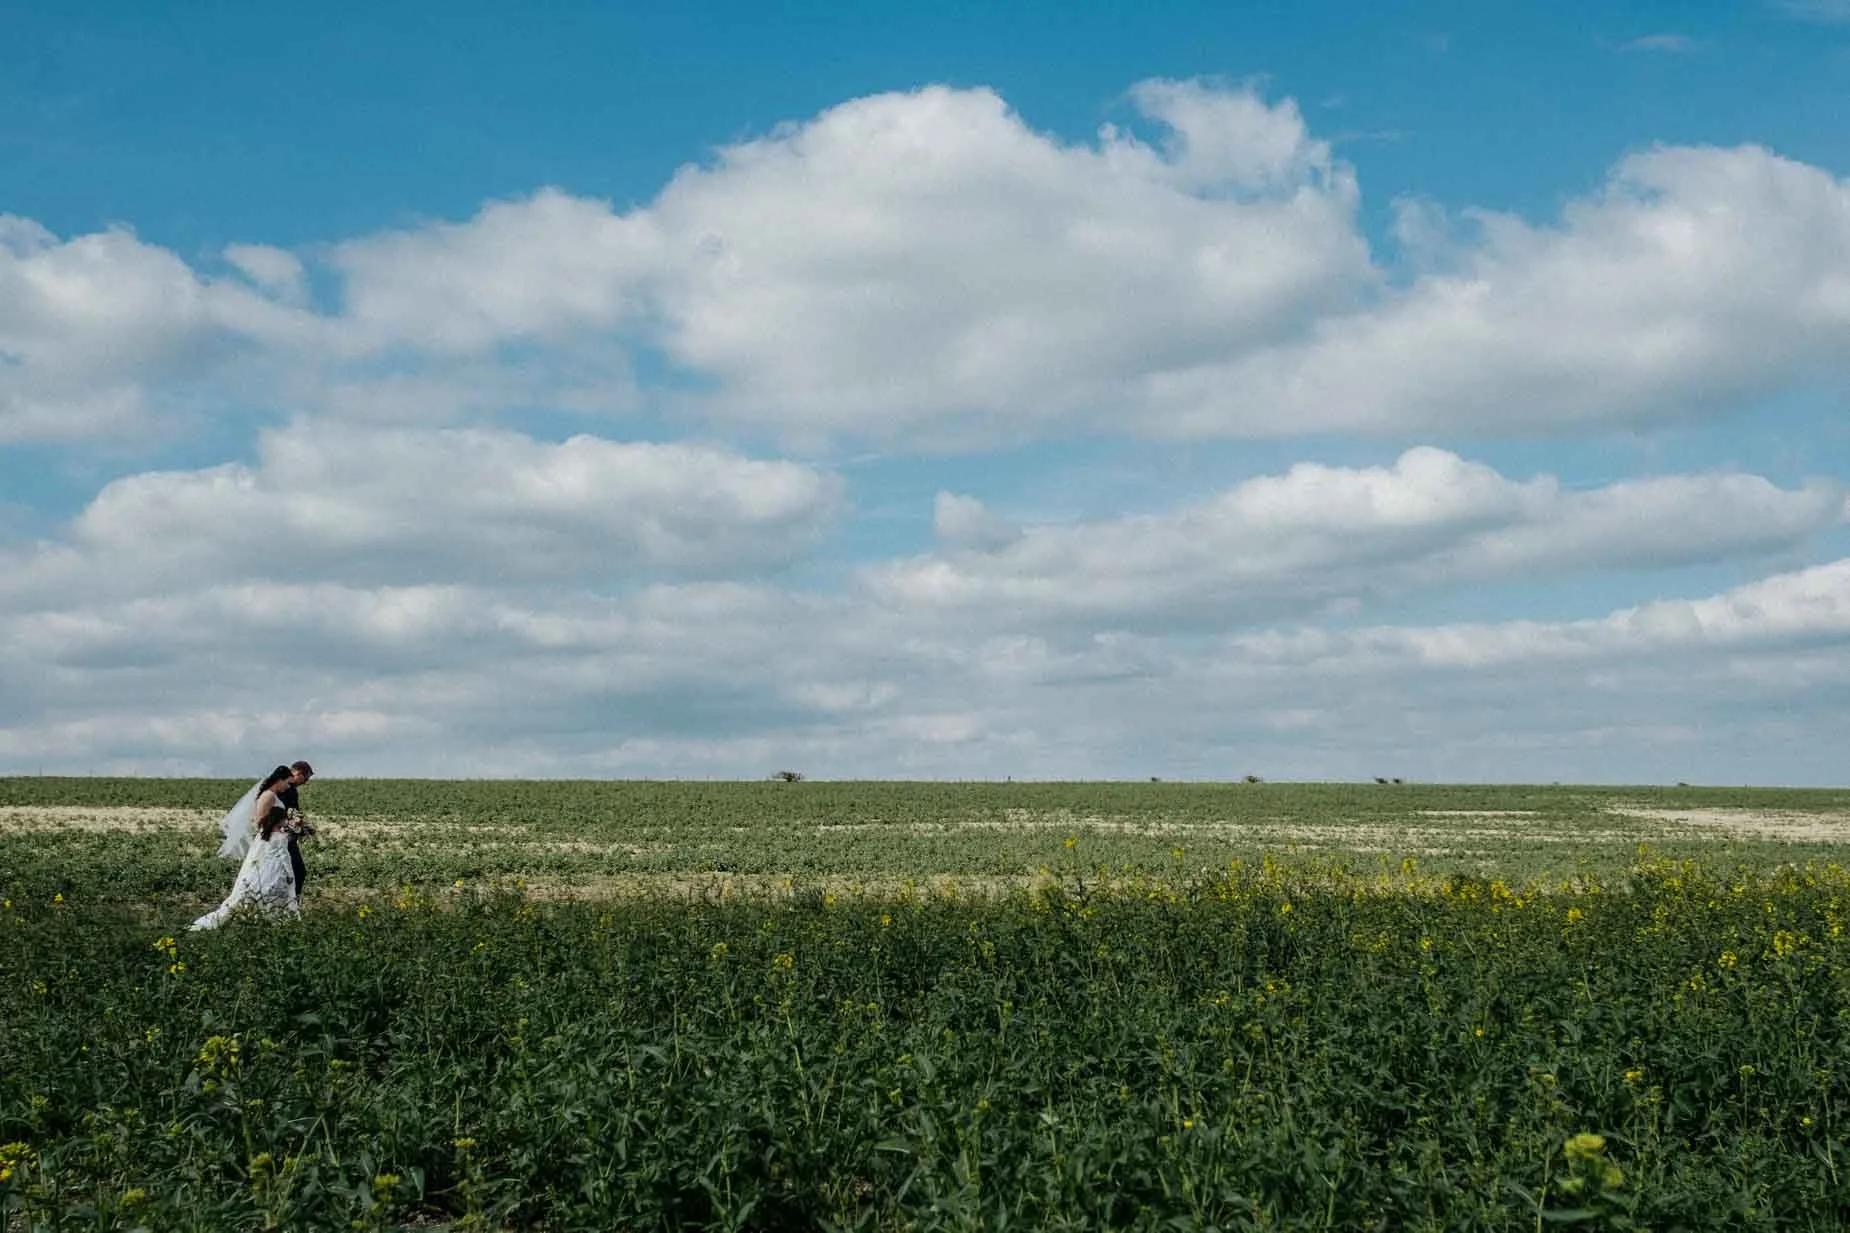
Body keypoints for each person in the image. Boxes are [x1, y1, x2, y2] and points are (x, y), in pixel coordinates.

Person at [190, 766, 305, 930]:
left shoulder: (272, 795)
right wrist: (287, 826)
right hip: (269, 842)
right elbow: (260, 823)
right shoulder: (268, 796)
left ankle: (277, 910)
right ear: (279, 780)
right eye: (287, 783)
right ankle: (263, 908)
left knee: (279, 875)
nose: (288, 787)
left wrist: (291, 826)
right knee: (264, 876)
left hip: (276, 841)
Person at [275, 760, 315, 896]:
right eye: (306, 777)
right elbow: (281, 813)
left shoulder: (290, 789)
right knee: (298, 871)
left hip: (287, 835)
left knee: (290, 871)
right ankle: (292, 903)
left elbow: (292, 812)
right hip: (282, 836)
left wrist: (303, 827)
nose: (306, 782)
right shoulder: (286, 789)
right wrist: (294, 824)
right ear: (298, 773)